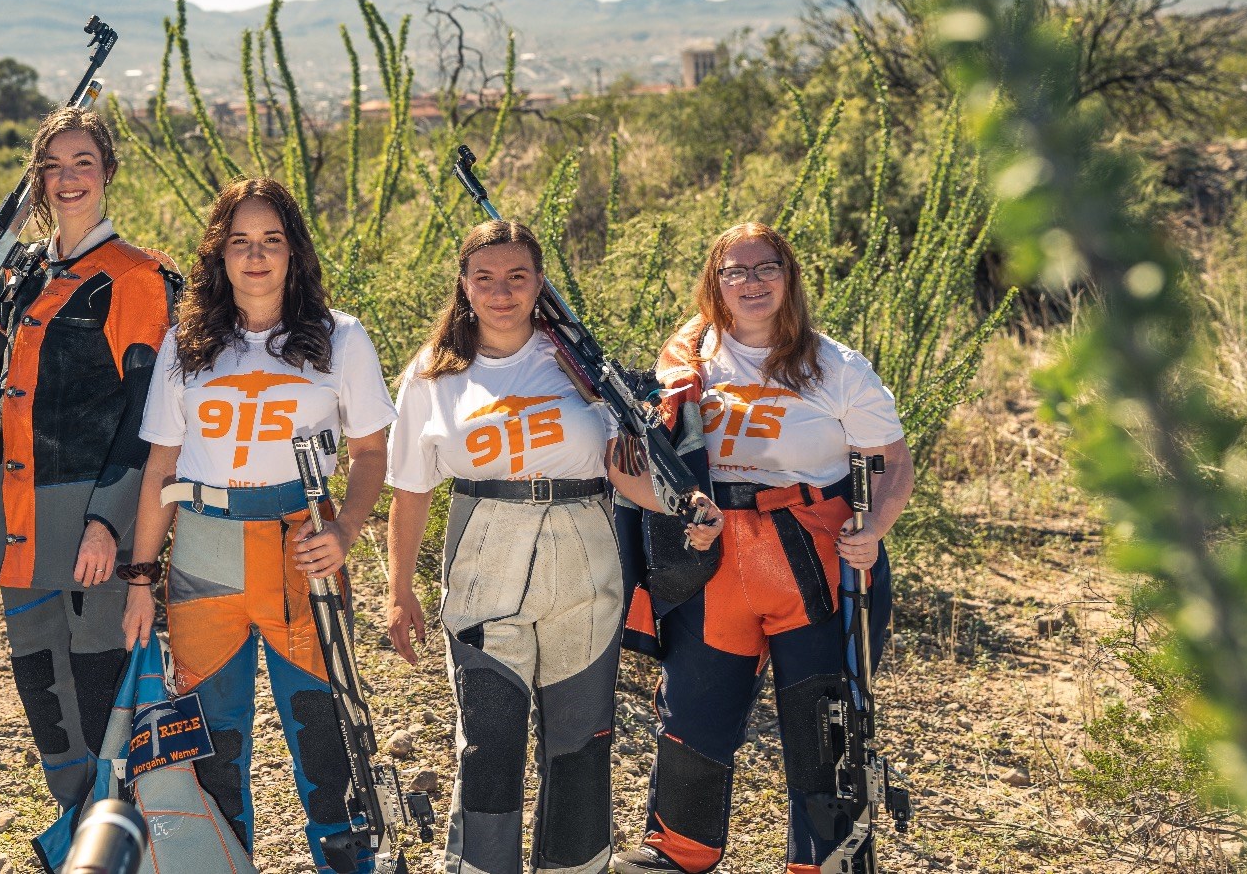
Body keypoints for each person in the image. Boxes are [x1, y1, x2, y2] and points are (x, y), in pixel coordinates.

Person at [381, 219, 715, 874]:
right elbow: (411, 492)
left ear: (540, 283)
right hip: (484, 565)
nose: (500, 292)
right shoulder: (433, 374)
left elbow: (625, 471)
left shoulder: (581, 366)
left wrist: (687, 508)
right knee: (489, 740)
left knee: (579, 742)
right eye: (484, 277)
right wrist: (398, 591)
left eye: (516, 276)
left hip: (584, 567)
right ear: (463, 284)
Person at [608, 221, 911, 874]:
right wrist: (678, 510)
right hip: (715, 559)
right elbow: (639, 459)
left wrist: (875, 525)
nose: (749, 281)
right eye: (733, 270)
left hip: (814, 560)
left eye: (763, 267)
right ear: (714, 281)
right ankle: (678, 850)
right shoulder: (686, 360)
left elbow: (891, 459)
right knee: (693, 704)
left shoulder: (834, 364)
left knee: (822, 717)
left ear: (788, 275)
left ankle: (824, 859)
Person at [119, 177, 397, 874]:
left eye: (271, 240)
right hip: (204, 556)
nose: (256, 256)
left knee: (326, 745)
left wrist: (346, 530)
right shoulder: (186, 342)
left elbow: (369, 452)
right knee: (215, 749)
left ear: (293, 251)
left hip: (298, 556)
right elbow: (160, 466)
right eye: (240, 241)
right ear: (219, 253)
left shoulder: (341, 336)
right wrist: (140, 577)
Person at [0, 105, 179, 812]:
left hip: (90, 517)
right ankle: (74, 826)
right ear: (36, 181)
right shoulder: (20, 274)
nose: (67, 178)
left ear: (107, 172)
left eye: (83, 163)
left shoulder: (136, 276)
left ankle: (124, 830)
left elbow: (147, 412)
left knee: (100, 680)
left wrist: (110, 520)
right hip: (17, 515)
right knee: (40, 685)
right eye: (53, 165)